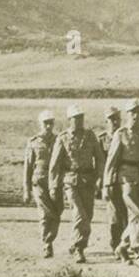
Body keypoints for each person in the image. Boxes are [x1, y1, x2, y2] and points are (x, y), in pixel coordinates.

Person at [103, 99, 139, 267]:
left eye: (138, 111)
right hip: (127, 179)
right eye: (132, 112)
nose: (135, 115)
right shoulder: (121, 134)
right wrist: (107, 185)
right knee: (137, 215)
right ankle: (138, 252)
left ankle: (122, 246)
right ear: (127, 114)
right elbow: (111, 161)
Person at [49, 105, 104, 262]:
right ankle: (79, 248)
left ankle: (76, 244)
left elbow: (100, 159)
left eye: (81, 117)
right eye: (76, 118)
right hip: (70, 181)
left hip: (88, 181)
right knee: (79, 214)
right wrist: (53, 186)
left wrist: (99, 177)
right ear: (69, 120)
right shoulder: (63, 138)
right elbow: (54, 164)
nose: (79, 121)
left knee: (88, 215)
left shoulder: (90, 136)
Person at [24, 110, 61, 256]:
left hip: (56, 181)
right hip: (39, 180)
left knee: (57, 211)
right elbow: (27, 167)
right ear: (40, 124)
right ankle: (47, 243)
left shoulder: (59, 140)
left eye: (51, 123)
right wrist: (26, 190)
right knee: (45, 214)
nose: (48, 126)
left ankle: (50, 238)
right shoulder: (33, 142)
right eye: (46, 123)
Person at [96, 105, 127, 251]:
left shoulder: (125, 135)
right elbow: (99, 163)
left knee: (127, 212)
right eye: (111, 119)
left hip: (126, 178)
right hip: (111, 181)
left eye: (117, 119)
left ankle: (126, 245)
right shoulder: (102, 139)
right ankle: (115, 244)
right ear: (106, 121)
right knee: (114, 214)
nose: (114, 122)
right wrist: (101, 182)